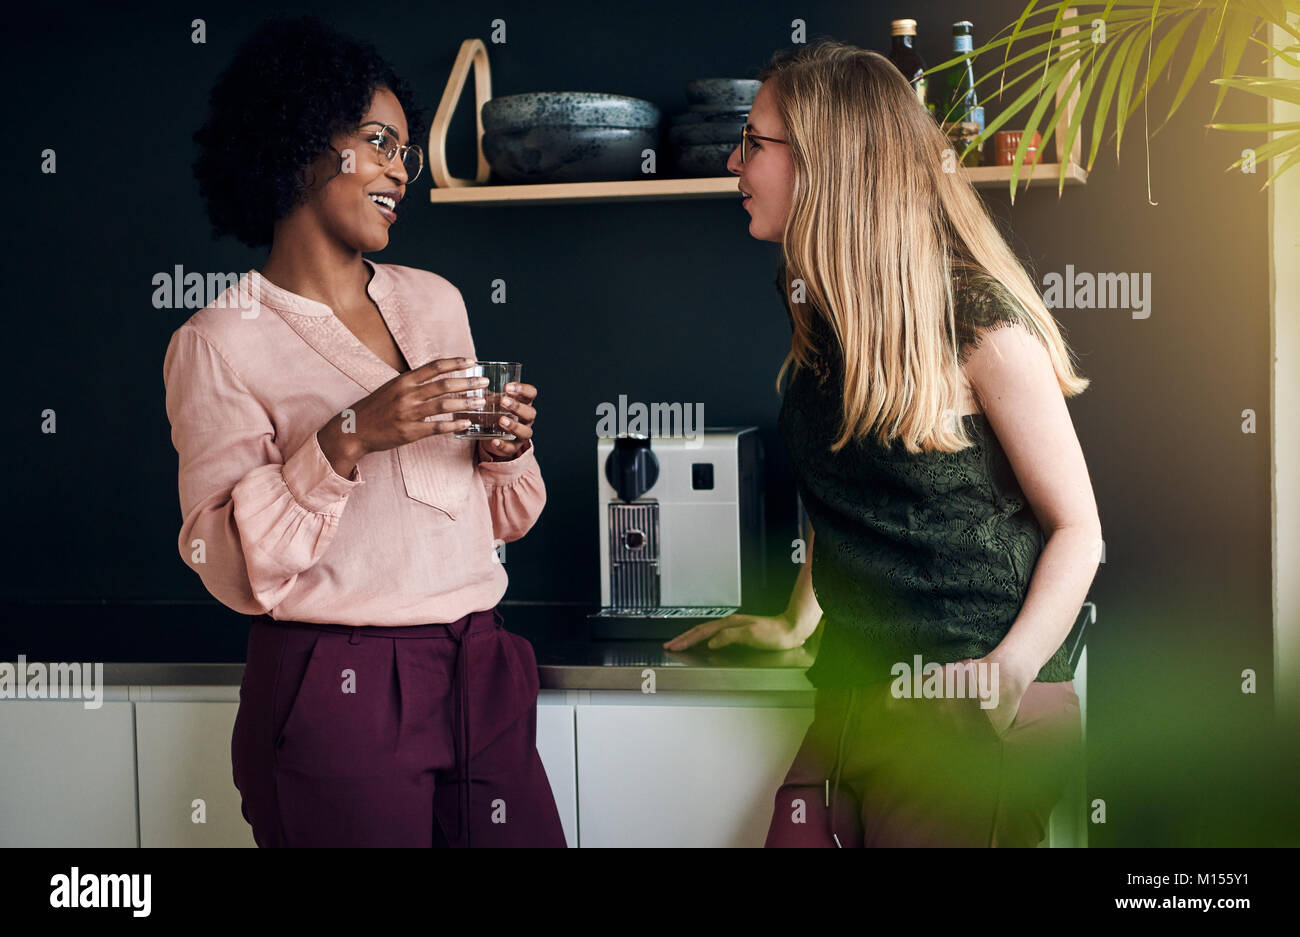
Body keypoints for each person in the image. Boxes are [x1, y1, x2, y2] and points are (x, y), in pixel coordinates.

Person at [665, 41, 1102, 848]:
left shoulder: (980, 322)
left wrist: (1006, 672)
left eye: (754, 142)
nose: (734, 160)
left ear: (828, 161)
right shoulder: (828, 315)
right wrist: (798, 621)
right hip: (858, 682)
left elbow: (1080, 529)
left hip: (972, 695)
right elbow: (852, 488)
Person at [165, 15, 565, 847]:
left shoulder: (438, 300)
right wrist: (345, 436)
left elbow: (495, 517)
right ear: (302, 142)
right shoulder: (217, 340)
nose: (400, 171)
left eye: (407, 153)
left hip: (481, 669)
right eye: (379, 142)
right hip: (337, 687)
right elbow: (223, 564)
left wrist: (504, 452)